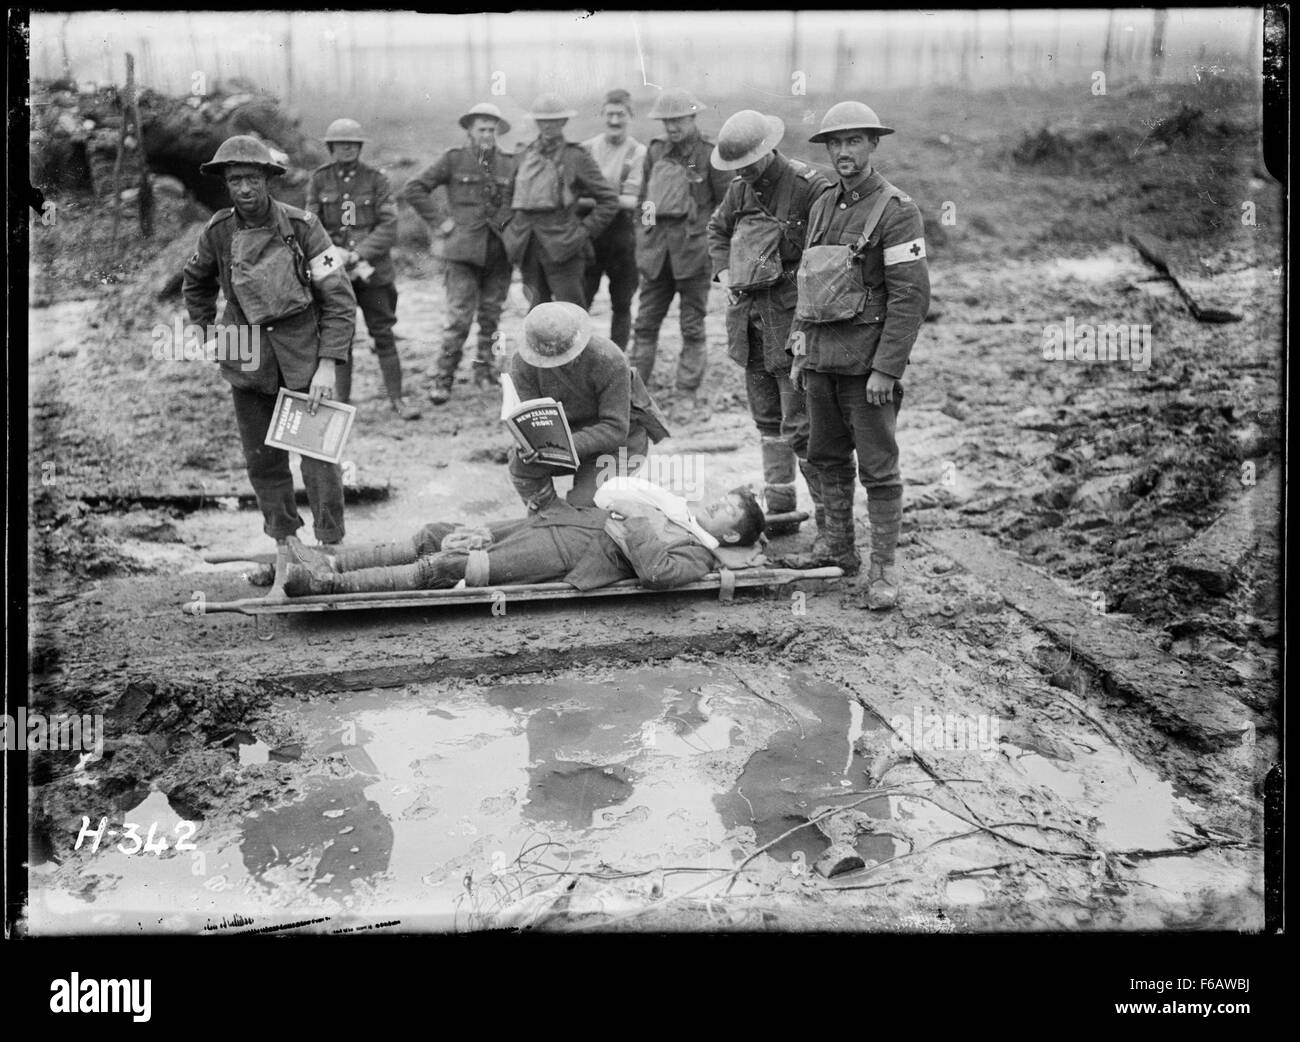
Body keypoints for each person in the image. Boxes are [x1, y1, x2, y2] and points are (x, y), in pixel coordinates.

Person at [784, 101, 930, 610]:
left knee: (879, 469)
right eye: (835, 143)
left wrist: (887, 369)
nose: (843, 152)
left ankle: (884, 570)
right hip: (822, 360)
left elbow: (910, 297)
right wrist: (800, 348)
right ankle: (837, 548)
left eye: (853, 142)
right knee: (824, 457)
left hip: (866, 368)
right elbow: (812, 282)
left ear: (872, 145)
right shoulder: (823, 204)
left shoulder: (896, 210)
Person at [182, 135, 356, 549]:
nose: (244, 189)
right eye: (236, 179)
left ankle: (330, 543)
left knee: (318, 458)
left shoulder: (304, 227)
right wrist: (207, 333)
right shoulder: (218, 233)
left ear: (268, 180)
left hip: (305, 358)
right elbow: (196, 282)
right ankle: (285, 543)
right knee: (263, 460)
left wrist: (328, 364)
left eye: (252, 179)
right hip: (247, 357)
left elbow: (339, 300)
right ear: (226, 182)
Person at [277, 476, 766, 596]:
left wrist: (635, 514)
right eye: (723, 498)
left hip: (574, 555)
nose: (716, 503)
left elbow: (657, 573)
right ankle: (333, 562)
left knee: (453, 566)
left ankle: (328, 585)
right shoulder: (680, 510)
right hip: (562, 525)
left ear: (733, 533)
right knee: (444, 533)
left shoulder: (700, 556)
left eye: (728, 510)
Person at [707, 109, 832, 536]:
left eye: (746, 164)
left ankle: (832, 523)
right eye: (735, 168)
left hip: (792, 322)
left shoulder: (808, 188)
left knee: (801, 427)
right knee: (766, 422)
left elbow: (830, 258)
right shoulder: (739, 190)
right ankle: (781, 512)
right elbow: (717, 231)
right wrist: (724, 272)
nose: (741, 173)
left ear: (767, 151)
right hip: (750, 324)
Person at [401, 102, 517, 405]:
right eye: (482, 129)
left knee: (491, 316)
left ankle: (484, 371)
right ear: (469, 130)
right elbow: (414, 188)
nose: (488, 135)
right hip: (462, 252)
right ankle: (443, 377)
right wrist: (441, 223)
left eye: (492, 129)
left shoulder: (509, 163)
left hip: (499, 252)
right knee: (459, 319)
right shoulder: (454, 159)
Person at [506, 301, 669, 511]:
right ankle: (547, 518)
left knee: (584, 509)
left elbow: (616, 428)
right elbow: (533, 418)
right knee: (521, 465)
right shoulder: (524, 363)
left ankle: (575, 523)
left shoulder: (609, 359)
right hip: (563, 439)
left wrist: (565, 446)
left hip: (616, 447)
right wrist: (529, 444)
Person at [307, 118, 419, 419]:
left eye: (353, 144)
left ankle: (397, 399)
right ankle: (342, 402)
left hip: (373, 271)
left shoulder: (376, 179)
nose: (348, 148)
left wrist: (357, 254)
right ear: (331, 147)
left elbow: (388, 225)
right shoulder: (319, 180)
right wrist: (335, 252)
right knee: (338, 336)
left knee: (383, 332)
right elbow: (311, 225)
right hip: (333, 272)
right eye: (342, 143)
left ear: (360, 147)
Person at [628, 88, 731, 406]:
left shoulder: (710, 154)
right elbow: (644, 200)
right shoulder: (656, 151)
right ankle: (634, 394)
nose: (672, 127)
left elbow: (726, 206)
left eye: (678, 120)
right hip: (657, 255)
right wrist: (644, 236)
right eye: (666, 121)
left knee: (692, 326)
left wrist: (707, 243)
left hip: (693, 254)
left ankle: (686, 393)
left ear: (692, 117)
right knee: (644, 324)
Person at [502, 94, 618, 310]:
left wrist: (584, 231)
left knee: (572, 311)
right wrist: (509, 227)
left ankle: (580, 346)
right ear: (536, 123)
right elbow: (508, 195)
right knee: (537, 311)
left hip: (565, 244)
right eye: (542, 121)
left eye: (554, 120)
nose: (547, 126)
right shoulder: (524, 154)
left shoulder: (576, 156)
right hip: (527, 243)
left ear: (563, 122)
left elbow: (608, 199)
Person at [580, 89, 647, 349]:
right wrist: (613, 198)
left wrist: (600, 198)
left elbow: (634, 201)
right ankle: (579, 358)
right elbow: (575, 197)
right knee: (581, 300)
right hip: (591, 235)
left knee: (622, 303)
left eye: (621, 114)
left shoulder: (638, 153)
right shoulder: (587, 149)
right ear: (602, 115)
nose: (615, 121)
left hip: (622, 239)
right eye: (610, 114)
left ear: (630, 116)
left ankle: (617, 360)